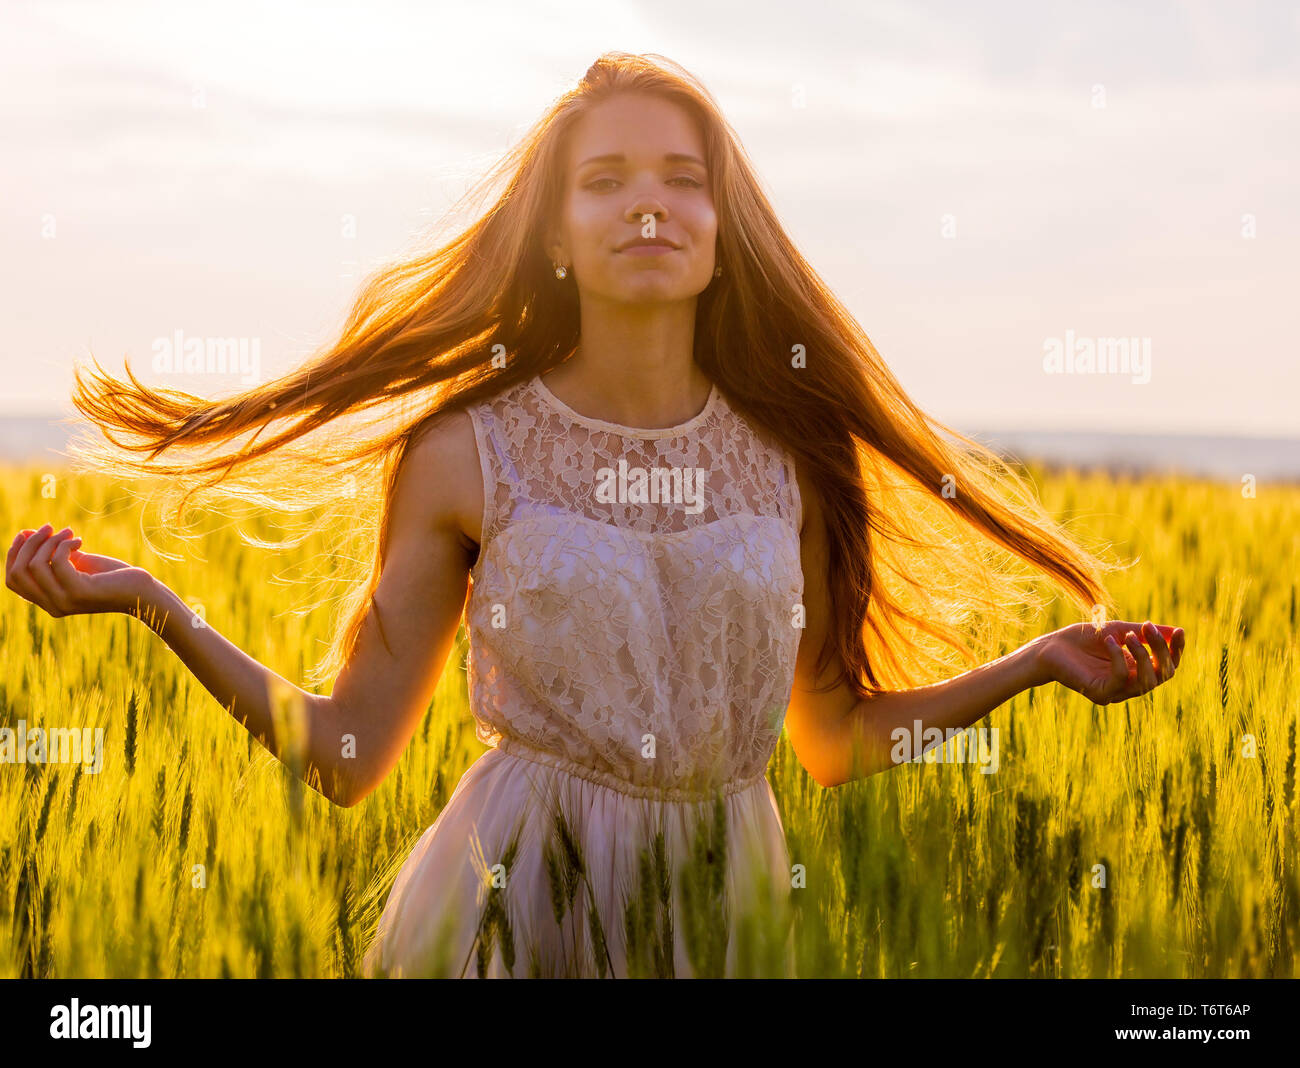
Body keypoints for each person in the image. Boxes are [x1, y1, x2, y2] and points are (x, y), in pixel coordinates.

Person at [5, 52, 1185, 978]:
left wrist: (1033, 666)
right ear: (557, 234)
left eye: (682, 179)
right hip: (515, 902)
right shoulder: (466, 452)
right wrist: (157, 606)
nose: (648, 207)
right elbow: (351, 757)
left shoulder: (793, 455)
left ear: (725, 230)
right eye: (605, 182)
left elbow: (829, 741)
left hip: (725, 910)